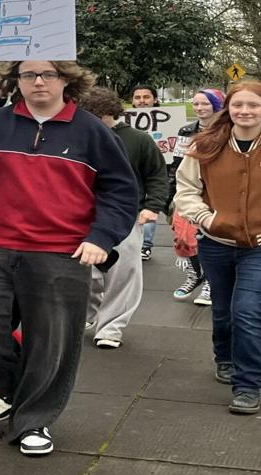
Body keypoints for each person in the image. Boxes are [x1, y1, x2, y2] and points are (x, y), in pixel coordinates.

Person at [0, 59, 138, 456]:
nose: (38, 81)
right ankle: (16, 387)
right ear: (16, 81)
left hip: (60, 251)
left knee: (51, 342)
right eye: (29, 74)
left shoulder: (92, 131)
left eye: (48, 74)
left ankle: (34, 422)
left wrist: (101, 238)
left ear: (67, 80)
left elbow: (120, 192)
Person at [174, 82, 261, 416]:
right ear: (229, 109)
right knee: (222, 311)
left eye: (254, 105)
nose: (245, 111)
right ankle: (224, 357)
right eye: (238, 105)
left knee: (247, 311)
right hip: (216, 244)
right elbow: (185, 189)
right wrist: (205, 217)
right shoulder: (207, 144)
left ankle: (248, 385)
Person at [80, 88, 170, 350]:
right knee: (86, 272)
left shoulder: (138, 140)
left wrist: (152, 206)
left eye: (100, 117)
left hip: (126, 214)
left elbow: (156, 174)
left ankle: (112, 327)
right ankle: (87, 314)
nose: (95, 123)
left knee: (124, 272)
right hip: (84, 215)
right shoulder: (79, 138)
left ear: (113, 114)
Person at [169, 88, 223, 306]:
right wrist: (169, 195)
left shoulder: (227, 131)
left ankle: (211, 281)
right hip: (187, 192)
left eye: (205, 104)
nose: (199, 108)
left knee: (210, 239)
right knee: (184, 238)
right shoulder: (186, 131)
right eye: (196, 104)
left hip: (216, 195)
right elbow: (175, 164)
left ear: (217, 106)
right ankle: (194, 274)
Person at [129, 85, 164, 260]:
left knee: (152, 205)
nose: (142, 101)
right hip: (135, 167)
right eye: (137, 97)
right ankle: (141, 243)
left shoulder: (168, 120)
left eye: (146, 97)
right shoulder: (124, 121)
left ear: (155, 99)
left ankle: (146, 244)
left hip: (160, 167)